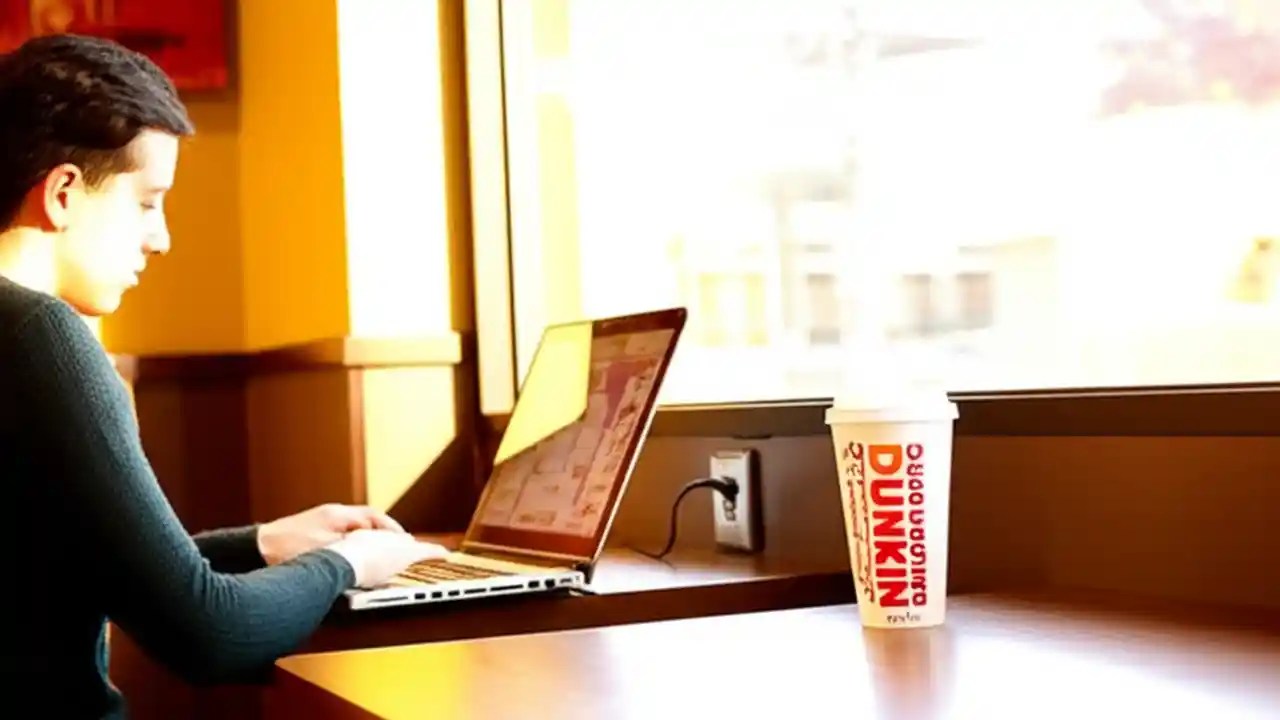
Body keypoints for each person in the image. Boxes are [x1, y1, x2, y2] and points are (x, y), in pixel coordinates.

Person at [0, 34, 448, 718]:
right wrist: (349, 565)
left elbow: (90, 574)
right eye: (147, 201)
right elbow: (207, 634)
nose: (162, 237)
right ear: (63, 193)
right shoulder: (40, 340)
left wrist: (265, 544)